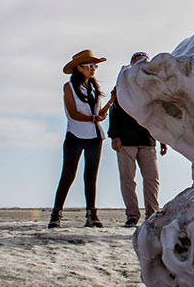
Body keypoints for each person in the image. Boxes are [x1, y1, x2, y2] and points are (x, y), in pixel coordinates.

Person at [49, 50, 114, 228]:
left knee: (91, 176)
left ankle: (91, 215)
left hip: (95, 136)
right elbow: (73, 113)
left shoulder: (94, 88)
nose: (93, 69)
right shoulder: (69, 87)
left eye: (95, 66)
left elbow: (98, 114)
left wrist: (110, 102)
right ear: (79, 68)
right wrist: (93, 118)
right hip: (75, 135)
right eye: (90, 66)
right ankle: (56, 214)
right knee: (68, 175)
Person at [107, 51, 167, 227]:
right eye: (138, 62)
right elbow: (114, 110)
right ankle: (132, 215)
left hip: (148, 138)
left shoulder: (153, 86)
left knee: (152, 179)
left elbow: (159, 112)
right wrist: (114, 135)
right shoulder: (122, 85)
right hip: (125, 140)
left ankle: (152, 214)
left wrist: (163, 138)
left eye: (144, 62)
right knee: (128, 179)